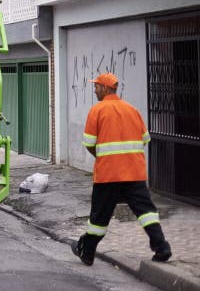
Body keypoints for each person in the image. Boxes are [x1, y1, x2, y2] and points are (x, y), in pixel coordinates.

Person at [72, 72, 171, 265]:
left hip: (108, 175)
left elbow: (89, 143)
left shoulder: (97, 110)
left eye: (97, 86)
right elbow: (144, 140)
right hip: (134, 173)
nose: (95, 90)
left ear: (106, 88)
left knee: (99, 217)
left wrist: (104, 157)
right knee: (146, 212)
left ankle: (87, 251)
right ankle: (162, 247)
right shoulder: (132, 110)